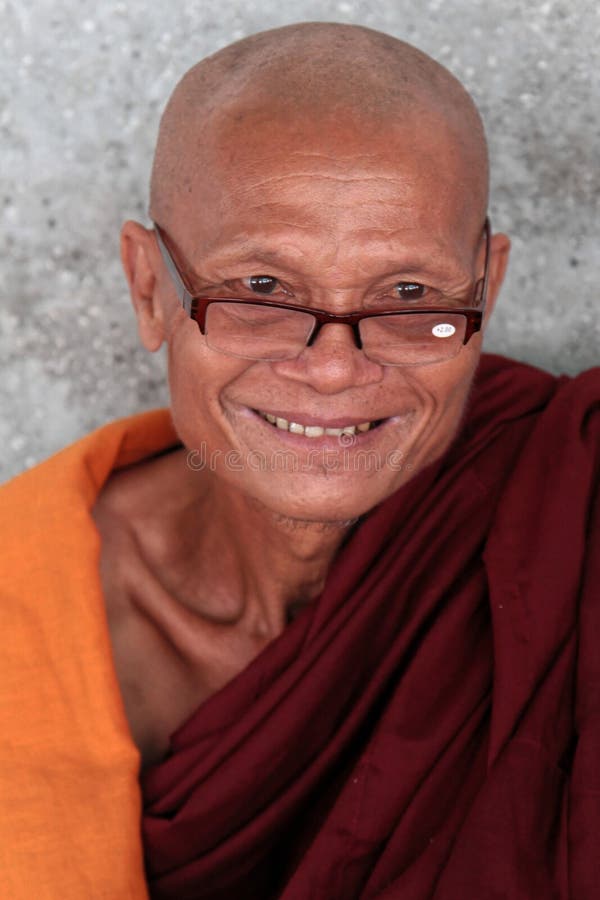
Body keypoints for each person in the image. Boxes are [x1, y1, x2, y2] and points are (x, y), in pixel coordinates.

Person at [1, 20, 598, 900]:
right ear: (148, 289)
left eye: (409, 295)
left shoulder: (565, 505)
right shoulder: (20, 602)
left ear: (487, 288)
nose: (331, 367)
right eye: (262, 291)